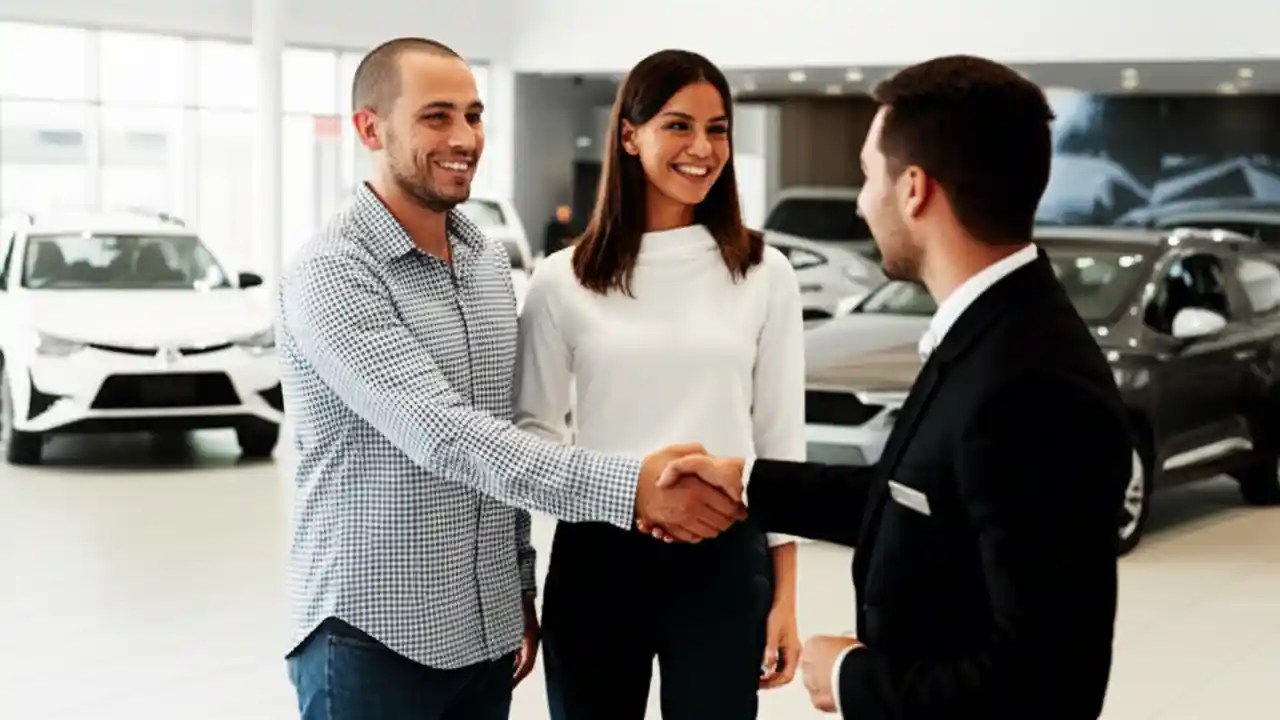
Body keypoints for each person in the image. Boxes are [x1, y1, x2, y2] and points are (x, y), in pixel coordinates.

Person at [277, 37, 745, 720]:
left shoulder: (486, 263)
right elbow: (447, 437)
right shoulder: (334, 272)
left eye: (474, 115)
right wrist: (632, 488)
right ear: (369, 128)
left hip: (483, 637)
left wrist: (514, 587)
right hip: (370, 639)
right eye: (437, 117)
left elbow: (507, 429)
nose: (465, 137)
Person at [658, 55, 1133, 719]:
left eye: (866, 175)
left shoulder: (1035, 386)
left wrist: (852, 678)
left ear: (914, 189)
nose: (860, 200)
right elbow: (914, 503)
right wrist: (744, 482)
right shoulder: (990, 330)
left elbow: (1047, 684)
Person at [513, 49, 806, 720]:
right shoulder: (564, 279)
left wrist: (786, 596)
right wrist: (628, 493)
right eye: (678, 125)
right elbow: (530, 439)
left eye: (719, 128)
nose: (703, 148)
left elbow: (781, 436)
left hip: (724, 558)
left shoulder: (766, 271)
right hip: (596, 558)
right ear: (628, 134)